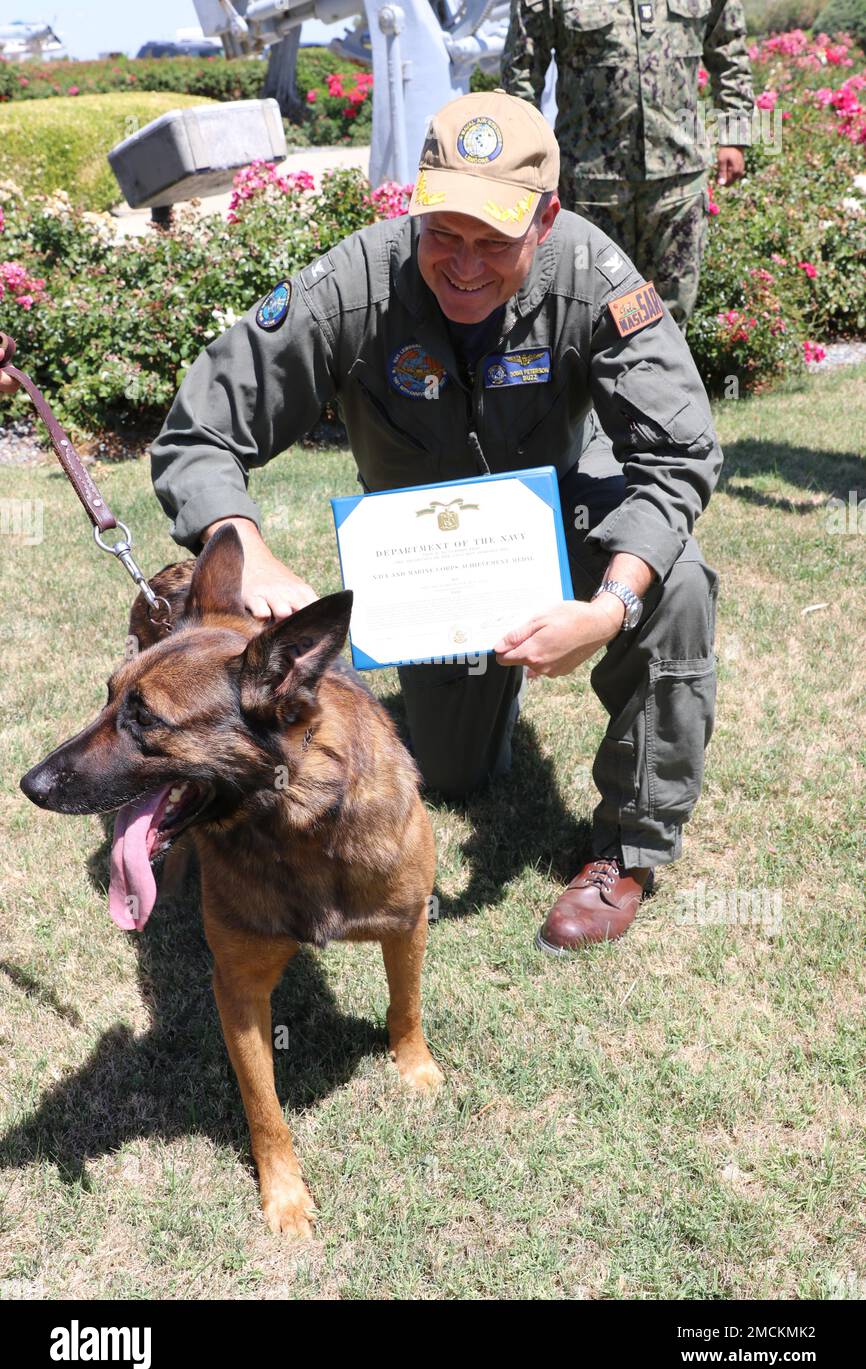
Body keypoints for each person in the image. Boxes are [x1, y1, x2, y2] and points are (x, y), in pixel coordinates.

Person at [3, 91, 723, 953]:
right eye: (442, 234)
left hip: (561, 519)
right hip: (424, 563)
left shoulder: (594, 278)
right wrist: (244, 544)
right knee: (454, 775)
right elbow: (202, 430)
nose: (462, 265)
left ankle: (628, 852)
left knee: (671, 586)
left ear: (547, 218)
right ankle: (468, 690)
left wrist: (605, 610)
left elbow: (678, 454)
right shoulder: (354, 283)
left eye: (494, 242)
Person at [501, 0, 755, 328]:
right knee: (589, 308)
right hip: (591, 183)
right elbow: (523, 64)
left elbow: (729, 46)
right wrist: (524, 155)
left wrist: (735, 135)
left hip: (677, 181)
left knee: (670, 316)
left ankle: (661, 378)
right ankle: (597, 379)